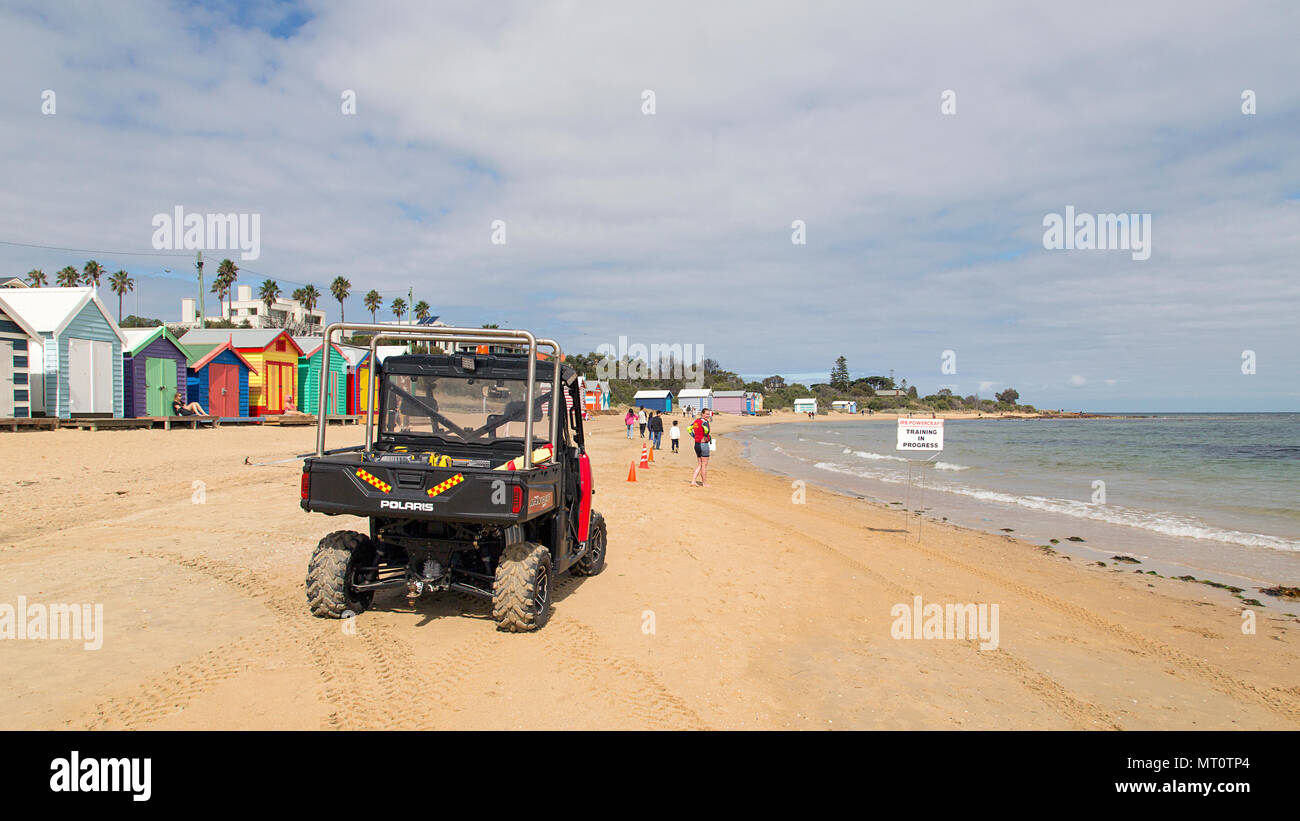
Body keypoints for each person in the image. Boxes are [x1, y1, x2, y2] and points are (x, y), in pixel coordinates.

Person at [689, 408, 713, 487]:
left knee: (700, 464)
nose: (708, 415)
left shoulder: (696, 421)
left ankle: (693, 481)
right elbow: (706, 430)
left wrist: (694, 436)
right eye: (706, 414)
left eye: (708, 414)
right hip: (703, 444)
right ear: (702, 414)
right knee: (704, 464)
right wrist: (706, 436)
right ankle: (704, 483)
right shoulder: (705, 422)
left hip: (697, 444)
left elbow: (689, 428)